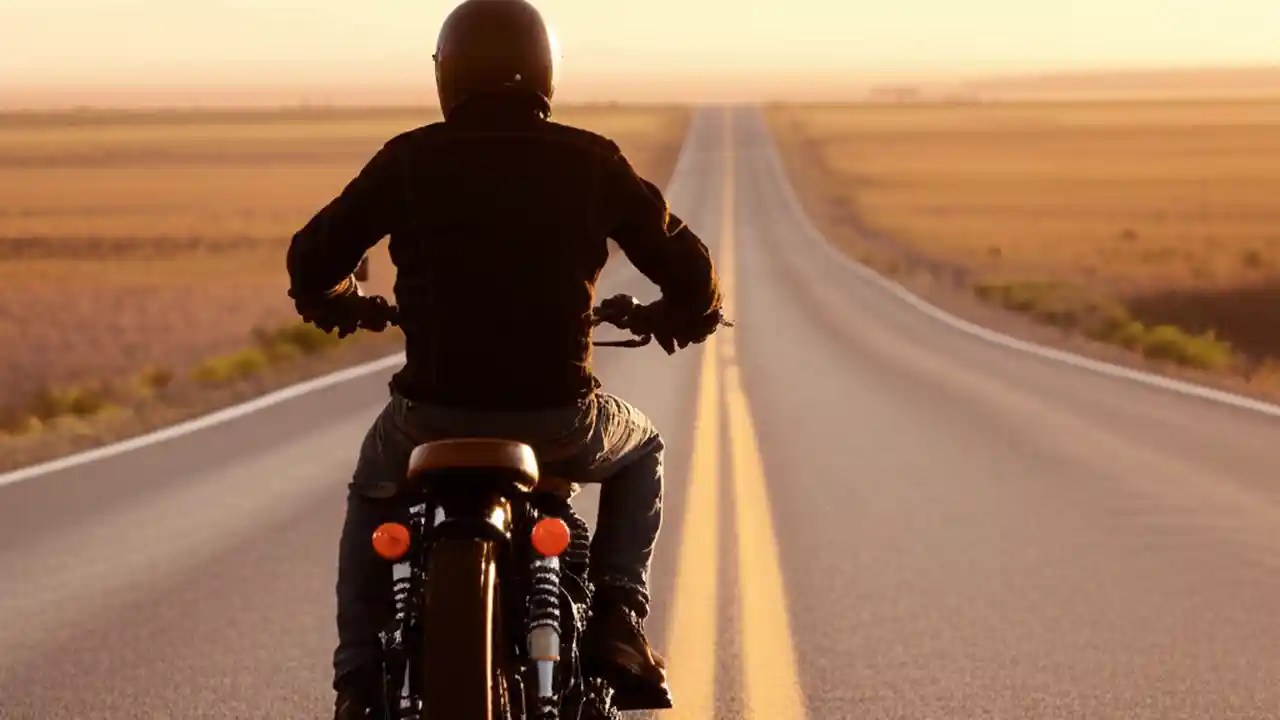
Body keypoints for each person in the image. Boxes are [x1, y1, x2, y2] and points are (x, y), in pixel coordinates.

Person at [284, 1, 723, 717]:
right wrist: (682, 314)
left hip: (428, 419)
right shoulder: (590, 161)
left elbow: (310, 260)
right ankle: (618, 618)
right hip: (559, 417)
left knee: (373, 488)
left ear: (447, 74)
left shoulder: (409, 160)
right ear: (544, 71)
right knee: (644, 447)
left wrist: (339, 299)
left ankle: (358, 679)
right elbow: (691, 273)